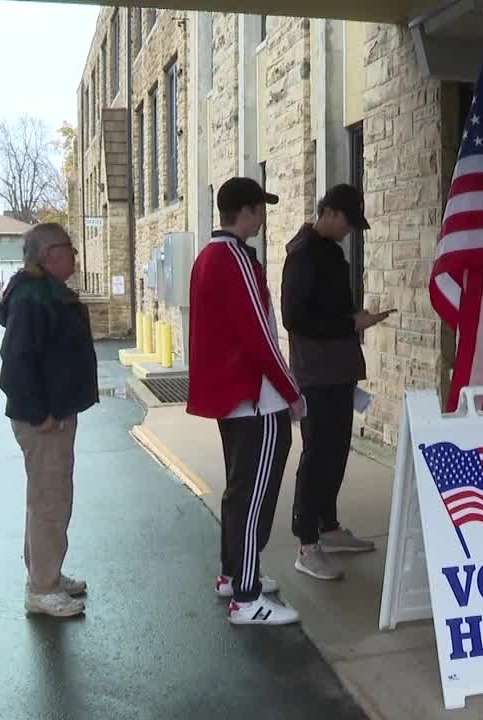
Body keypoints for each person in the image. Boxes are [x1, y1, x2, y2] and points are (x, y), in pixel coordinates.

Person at [188, 177, 306, 626]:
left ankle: (234, 573)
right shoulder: (235, 258)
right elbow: (260, 335)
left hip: (234, 396)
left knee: (240, 491)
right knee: (254, 494)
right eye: (260, 209)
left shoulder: (208, 257)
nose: (263, 217)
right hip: (256, 397)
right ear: (248, 211)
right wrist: (293, 392)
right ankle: (247, 596)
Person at [281, 184, 389, 582]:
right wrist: (349, 323)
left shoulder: (331, 254)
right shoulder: (302, 255)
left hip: (339, 369)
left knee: (338, 450)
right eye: (346, 221)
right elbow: (295, 318)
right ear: (327, 212)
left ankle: (328, 526)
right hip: (315, 372)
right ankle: (306, 543)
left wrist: (357, 319)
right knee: (317, 454)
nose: (348, 231)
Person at [0, 223, 99, 618]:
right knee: (50, 501)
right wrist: (39, 414)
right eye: (68, 248)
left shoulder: (39, 292)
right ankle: (42, 587)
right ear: (48, 254)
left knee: (47, 497)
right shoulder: (33, 297)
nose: (74, 254)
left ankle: (46, 575)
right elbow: (17, 362)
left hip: (53, 414)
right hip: (44, 420)